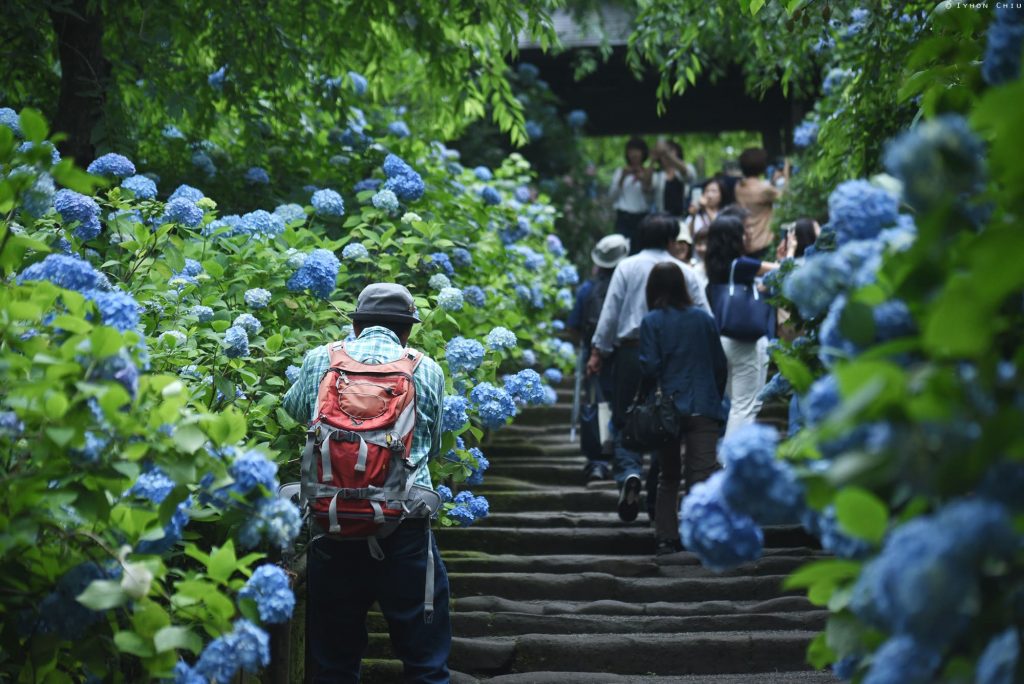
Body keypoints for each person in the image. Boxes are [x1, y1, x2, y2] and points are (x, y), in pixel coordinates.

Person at [282, 283, 451, 684]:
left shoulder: (320, 360)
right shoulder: (425, 369)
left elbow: (294, 410)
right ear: (407, 330)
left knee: (333, 663)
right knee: (425, 660)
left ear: (356, 326)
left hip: (332, 520)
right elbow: (432, 445)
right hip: (403, 523)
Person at [586, 214, 710, 523]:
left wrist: (598, 350)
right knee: (665, 420)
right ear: (671, 240)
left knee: (624, 416)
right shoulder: (684, 270)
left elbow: (611, 311)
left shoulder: (626, 266)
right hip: (675, 354)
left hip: (631, 350)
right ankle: (656, 492)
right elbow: (705, 316)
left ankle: (629, 472)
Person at [639, 262, 727, 556]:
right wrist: (713, 397)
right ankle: (699, 536)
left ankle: (666, 537)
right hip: (703, 404)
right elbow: (719, 365)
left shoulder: (652, 321)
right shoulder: (704, 319)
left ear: (653, 289)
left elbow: (649, 367)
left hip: (668, 410)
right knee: (701, 476)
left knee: (668, 476)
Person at [704, 216, 781, 437]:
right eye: (743, 231)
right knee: (744, 405)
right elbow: (783, 269)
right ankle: (732, 455)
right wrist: (791, 250)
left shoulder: (716, 267)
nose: (748, 235)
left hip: (724, 338)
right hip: (743, 342)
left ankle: (736, 451)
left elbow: (761, 286)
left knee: (745, 403)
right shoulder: (741, 264)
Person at [567, 234, 631, 483]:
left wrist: (588, 345)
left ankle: (598, 462)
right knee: (623, 404)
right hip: (624, 353)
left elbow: (573, 325)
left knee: (597, 404)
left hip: (594, 355)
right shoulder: (628, 286)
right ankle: (625, 459)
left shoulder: (587, 289)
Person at [734, 148, 789, 258]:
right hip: (763, 242)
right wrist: (786, 173)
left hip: (746, 242)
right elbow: (785, 197)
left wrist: (772, 181)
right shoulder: (764, 189)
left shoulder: (738, 187)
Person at [609, 138, 653, 244]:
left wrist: (644, 180)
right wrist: (623, 177)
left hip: (642, 217)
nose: (634, 154)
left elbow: (650, 199)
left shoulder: (648, 173)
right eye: (631, 151)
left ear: (643, 153)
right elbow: (612, 196)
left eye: (637, 150)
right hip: (624, 218)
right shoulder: (620, 172)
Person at [652, 140, 695, 220]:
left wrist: (666, 152)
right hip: (662, 219)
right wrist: (653, 159)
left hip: (682, 218)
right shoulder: (657, 175)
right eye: (662, 154)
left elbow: (688, 174)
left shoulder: (685, 168)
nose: (666, 156)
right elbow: (647, 186)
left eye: (670, 150)